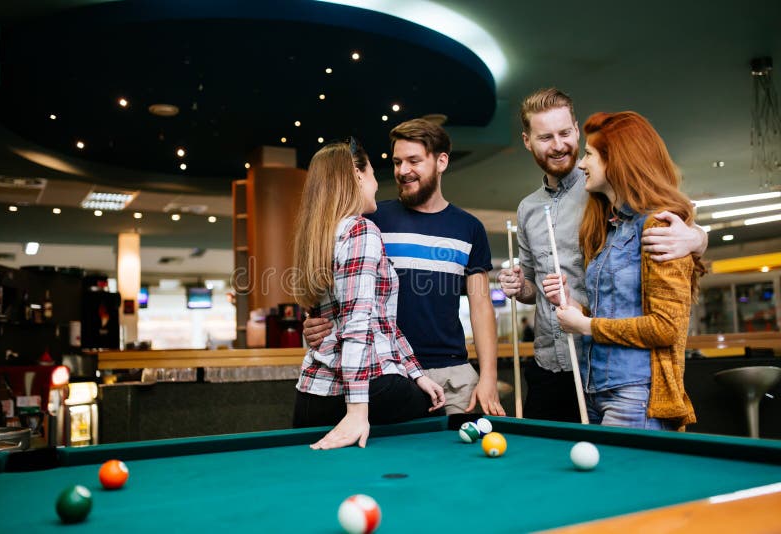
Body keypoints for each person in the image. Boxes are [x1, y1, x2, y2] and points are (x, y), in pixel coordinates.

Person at [497, 88, 707, 423]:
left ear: (577, 130)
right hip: (549, 364)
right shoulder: (528, 209)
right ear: (527, 140)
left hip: (602, 363)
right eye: (546, 137)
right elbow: (533, 288)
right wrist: (521, 287)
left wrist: (697, 237)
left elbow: (665, 218)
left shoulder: (602, 187)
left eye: (565, 133)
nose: (559, 145)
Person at [303, 119, 505, 416]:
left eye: (414, 160)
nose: (402, 170)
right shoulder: (371, 220)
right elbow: (339, 288)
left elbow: (481, 305)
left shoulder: (469, 228)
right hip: (389, 374)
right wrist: (315, 322)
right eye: (397, 162)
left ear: (441, 161)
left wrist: (488, 377)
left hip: (453, 375)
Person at [544, 111, 703, 429]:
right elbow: (619, 313)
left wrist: (586, 325)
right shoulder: (609, 228)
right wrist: (578, 309)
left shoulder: (659, 226)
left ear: (616, 161)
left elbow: (665, 328)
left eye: (589, 154)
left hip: (636, 393)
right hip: (598, 389)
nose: (581, 164)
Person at [291, 138, 445, 449]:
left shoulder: (317, 237)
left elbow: (379, 323)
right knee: (440, 408)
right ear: (358, 176)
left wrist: (417, 374)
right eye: (374, 173)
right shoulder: (361, 230)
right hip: (367, 392)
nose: (376, 183)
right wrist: (357, 410)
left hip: (311, 397)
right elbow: (358, 325)